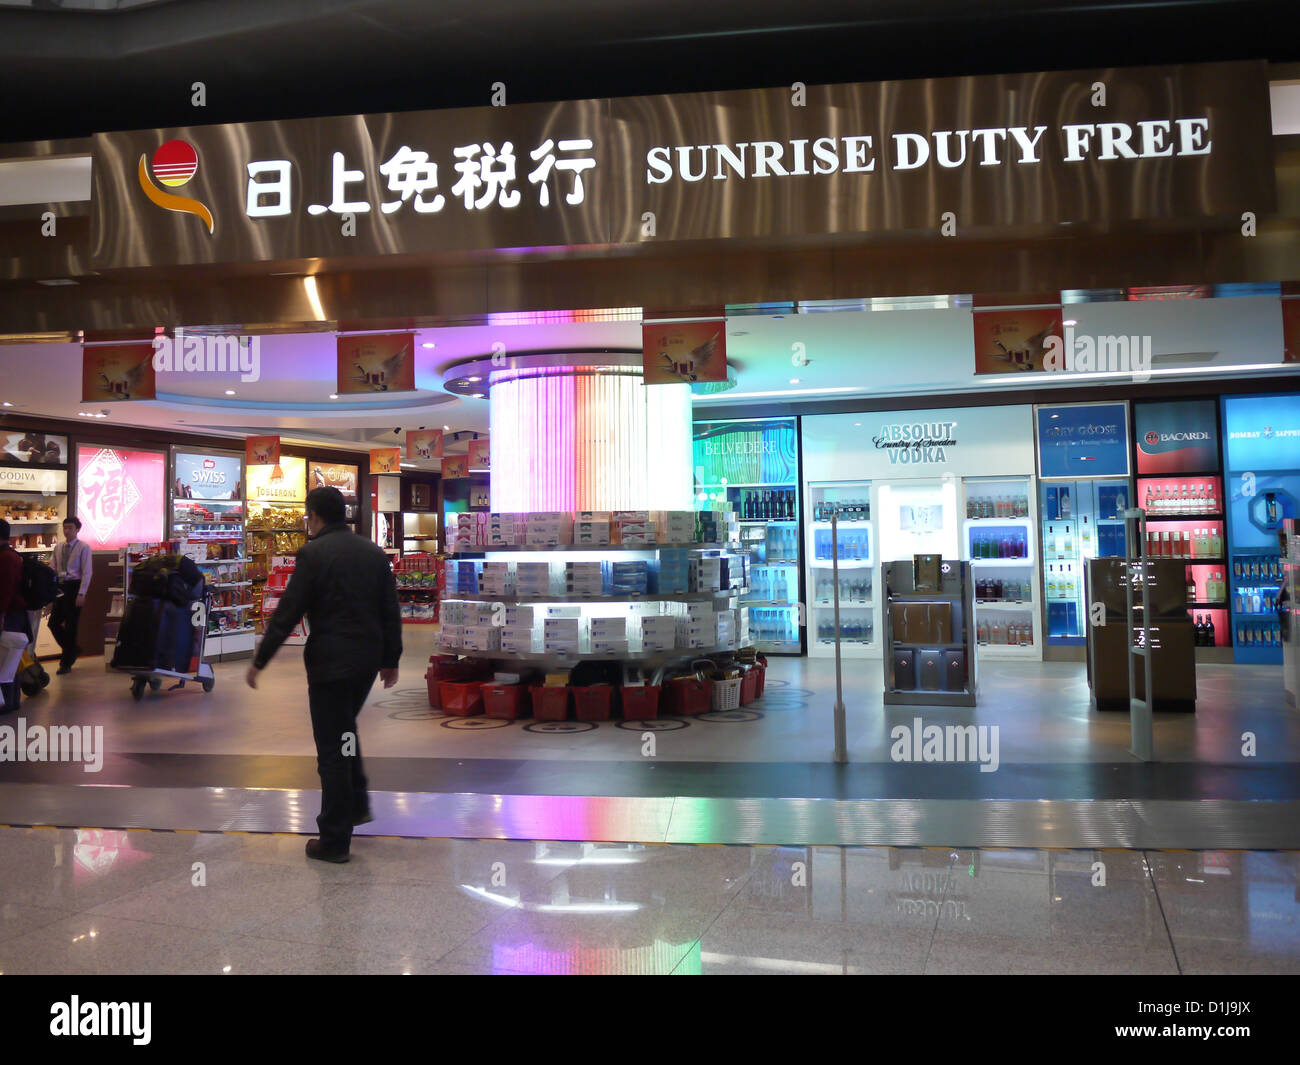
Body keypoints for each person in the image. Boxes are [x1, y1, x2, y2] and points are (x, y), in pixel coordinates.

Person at [246, 486, 402, 863]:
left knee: (332, 750)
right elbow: (389, 608)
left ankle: (334, 840)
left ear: (315, 516)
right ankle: (355, 803)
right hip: (365, 662)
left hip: (330, 664)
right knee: (344, 731)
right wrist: (391, 658)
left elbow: (289, 610)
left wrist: (261, 659)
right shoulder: (372, 552)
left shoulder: (313, 554)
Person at [48, 517, 92, 675]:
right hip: (60, 586)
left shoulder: (83, 548)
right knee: (53, 623)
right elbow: (53, 567)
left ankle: (65, 663)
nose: (66, 531)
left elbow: (87, 572)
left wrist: (82, 593)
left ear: (77, 529)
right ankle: (73, 649)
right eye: (65, 527)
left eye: (70, 528)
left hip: (74, 586)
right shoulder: (58, 547)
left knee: (72, 625)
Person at [0, 520, 32, 714]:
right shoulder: (11, 556)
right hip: (15, 615)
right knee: (11, 660)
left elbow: (5, 590)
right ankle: (12, 701)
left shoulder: (5, 558)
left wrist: (1, 614)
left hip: (10, 615)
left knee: (6, 661)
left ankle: (8, 702)